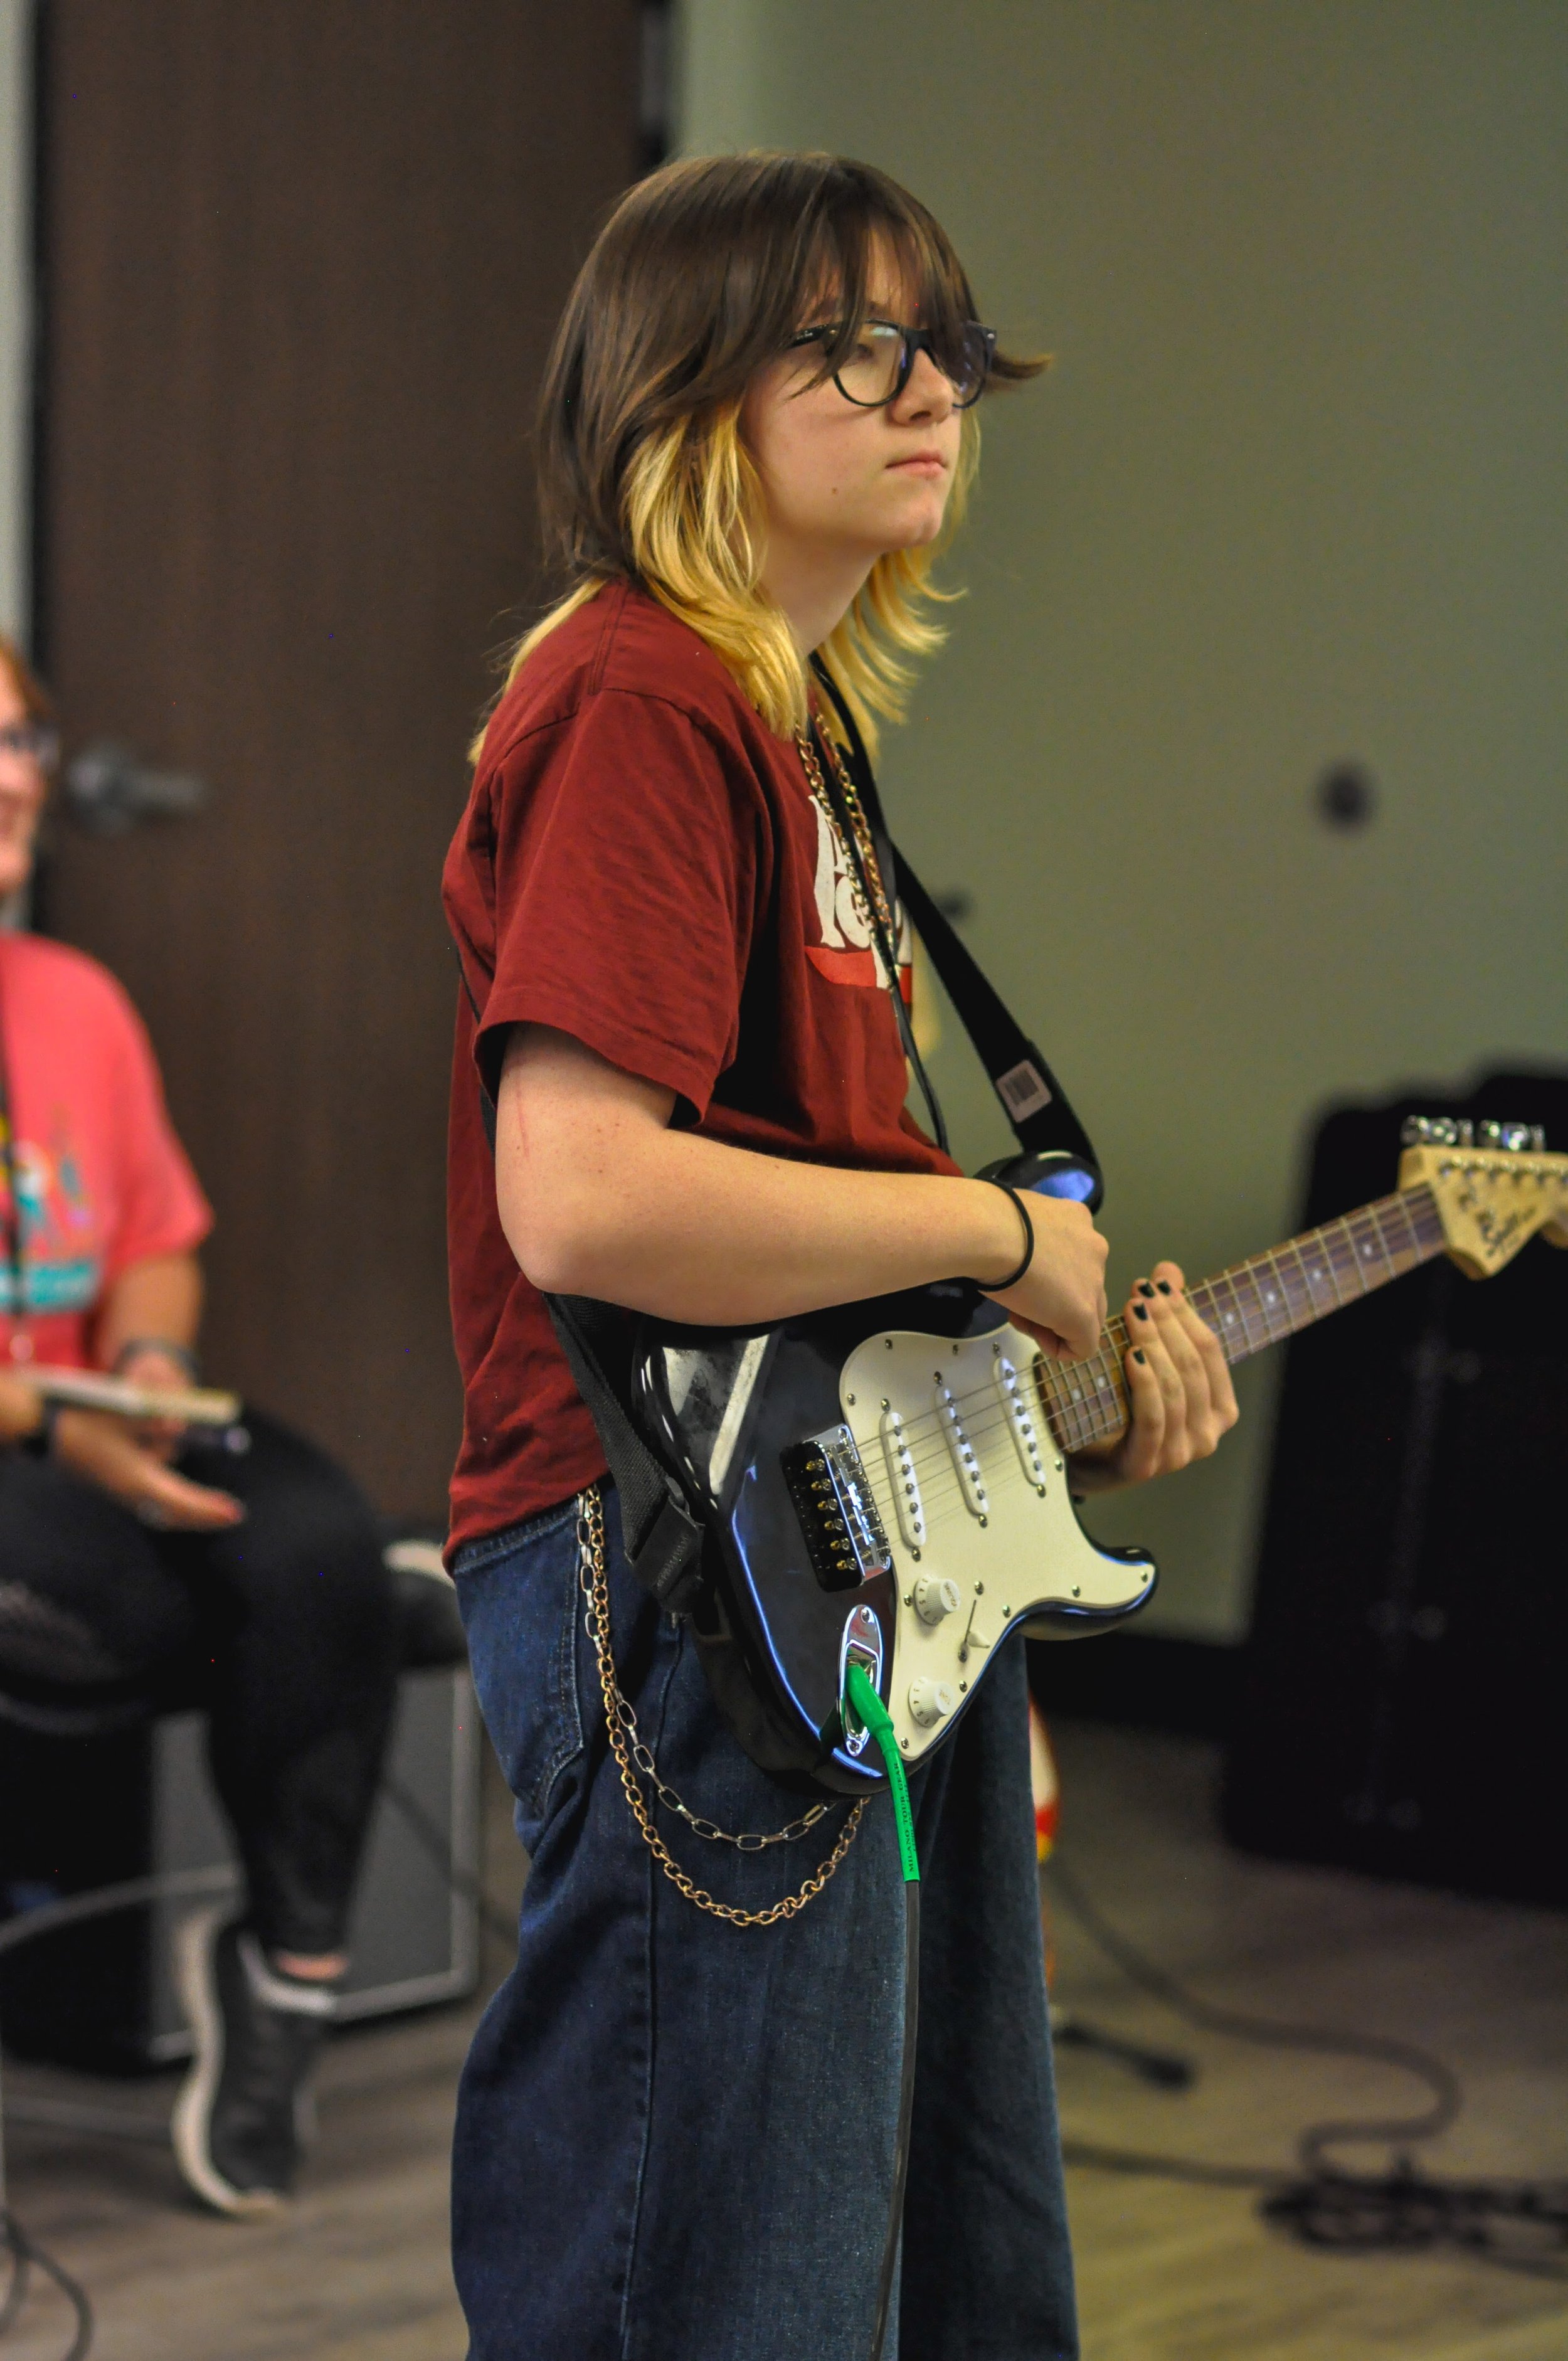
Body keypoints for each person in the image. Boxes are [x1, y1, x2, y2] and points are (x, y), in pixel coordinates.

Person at [443, 152, 1239, 2360]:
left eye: (945, 347)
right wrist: (997, 1228)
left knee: (894, 2257)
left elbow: (815, 1269)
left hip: (823, 1563)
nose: (932, 394)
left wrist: (1053, 1417)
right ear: (684, 387)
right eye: (857, 345)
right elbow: (583, 1197)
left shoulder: (795, 732)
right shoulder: (641, 695)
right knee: (724, 2284)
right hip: (675, 1563)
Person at [0, 635, 401, 2217]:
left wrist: (150, 1367)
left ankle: (284, 1977)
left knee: (319, 1549)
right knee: (175, 1591)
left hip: (90, 1407)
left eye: (26, 739)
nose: (17, 774)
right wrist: (53, 1426)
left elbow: (157, 1237)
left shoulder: (77, 1002)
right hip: (28, 1439)